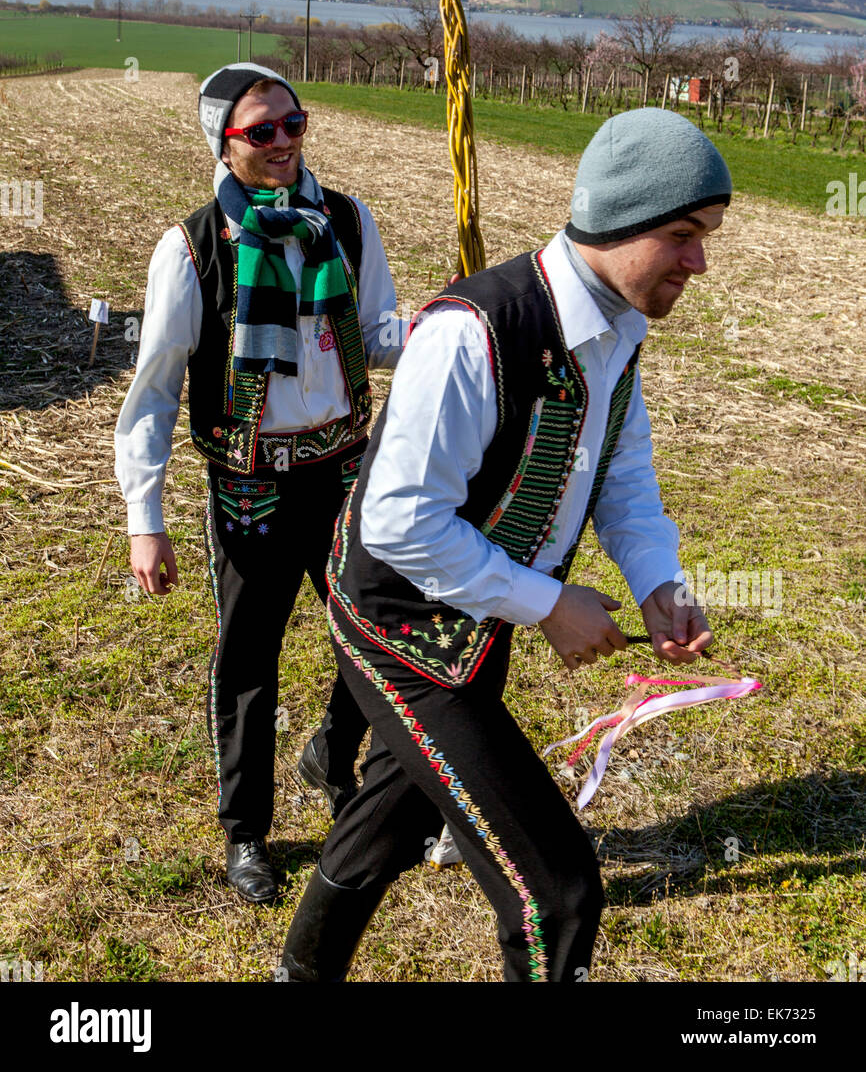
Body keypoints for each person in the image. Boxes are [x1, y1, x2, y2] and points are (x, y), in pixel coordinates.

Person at [279, 106, 729, 982]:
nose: (699, 261)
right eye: (682, 234)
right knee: (555, 892)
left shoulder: (617, 328)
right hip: (399, 628)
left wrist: (657, 586)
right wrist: (548, 603)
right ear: (622, 220)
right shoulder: (472, 334)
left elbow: (623, 479)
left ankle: (300, 974)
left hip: (475, 616)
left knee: (394, 818)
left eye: (705, 235)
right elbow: (400, 520)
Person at [114, 62, 406, 904]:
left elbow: (380, 330)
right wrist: (146, 516)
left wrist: (438, 328)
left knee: (377, 631)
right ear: (224, 144)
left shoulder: (347, 224)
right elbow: (155, 389)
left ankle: (333, 752)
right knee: (250, 658)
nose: (284, 142)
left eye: (294, 123)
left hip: (348, 467)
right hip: (251, 486)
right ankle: (248, 832)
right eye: (261, 131)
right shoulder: (195, 247)